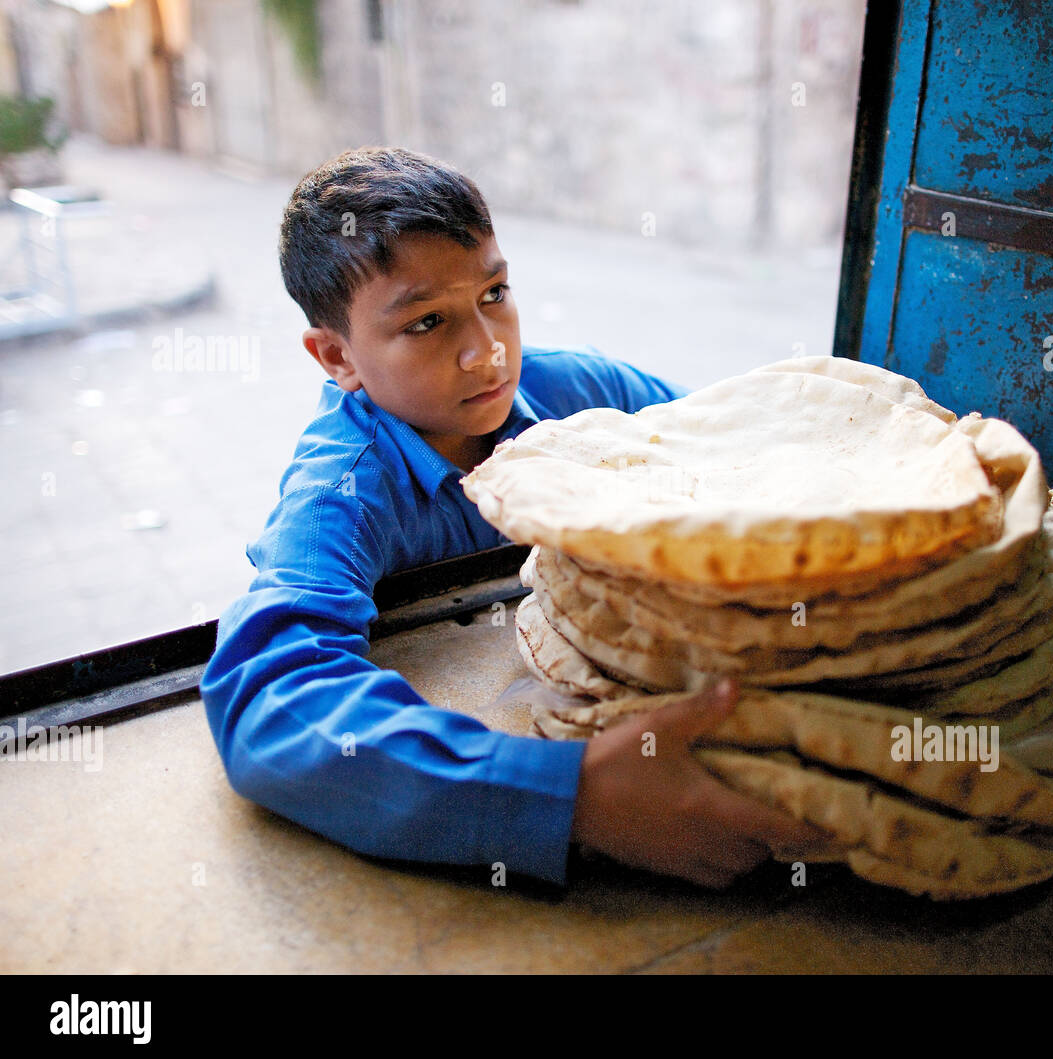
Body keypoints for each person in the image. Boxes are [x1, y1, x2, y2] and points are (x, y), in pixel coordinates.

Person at [200, 146, 827, 890]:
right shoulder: (340, 492)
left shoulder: (581, 388)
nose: (486, 352)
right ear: (336, 355)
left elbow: (735, 443)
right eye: (428, 321)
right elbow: (271, 701)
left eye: (494, 294)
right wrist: (573, 796)